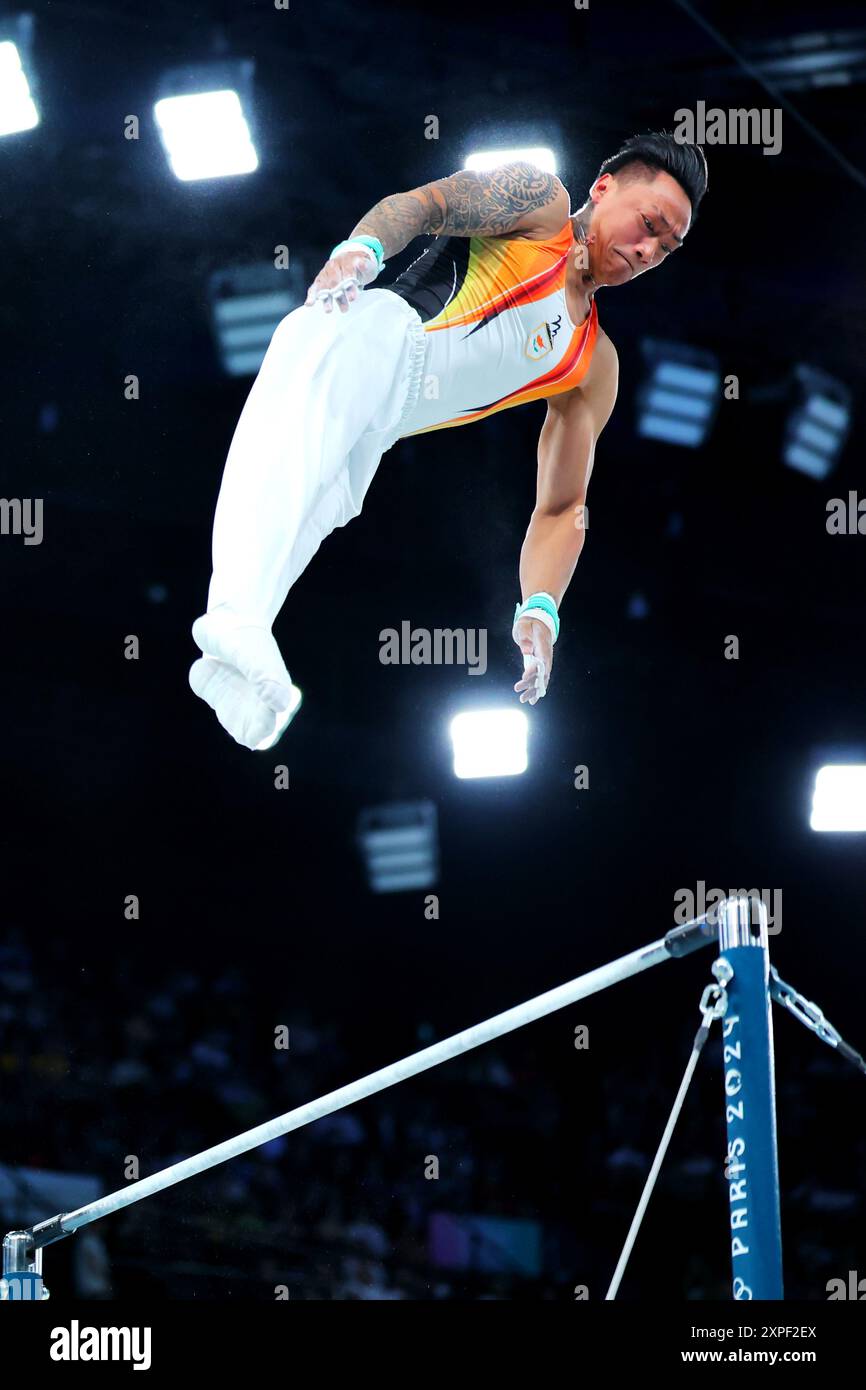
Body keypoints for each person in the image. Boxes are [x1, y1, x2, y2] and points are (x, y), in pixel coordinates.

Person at [190, 131, 707, 749]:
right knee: (291, 451)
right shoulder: (540, 205)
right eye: (648, 223)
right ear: (603, 189)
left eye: (667, 247)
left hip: (383, 425)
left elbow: (562, 506)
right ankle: (235, 620)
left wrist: (541, 609)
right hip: (366, 330)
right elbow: (430, 203)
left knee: (313, 509)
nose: (649, 250)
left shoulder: (592, 363)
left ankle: (229, 656)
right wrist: (362, 248)